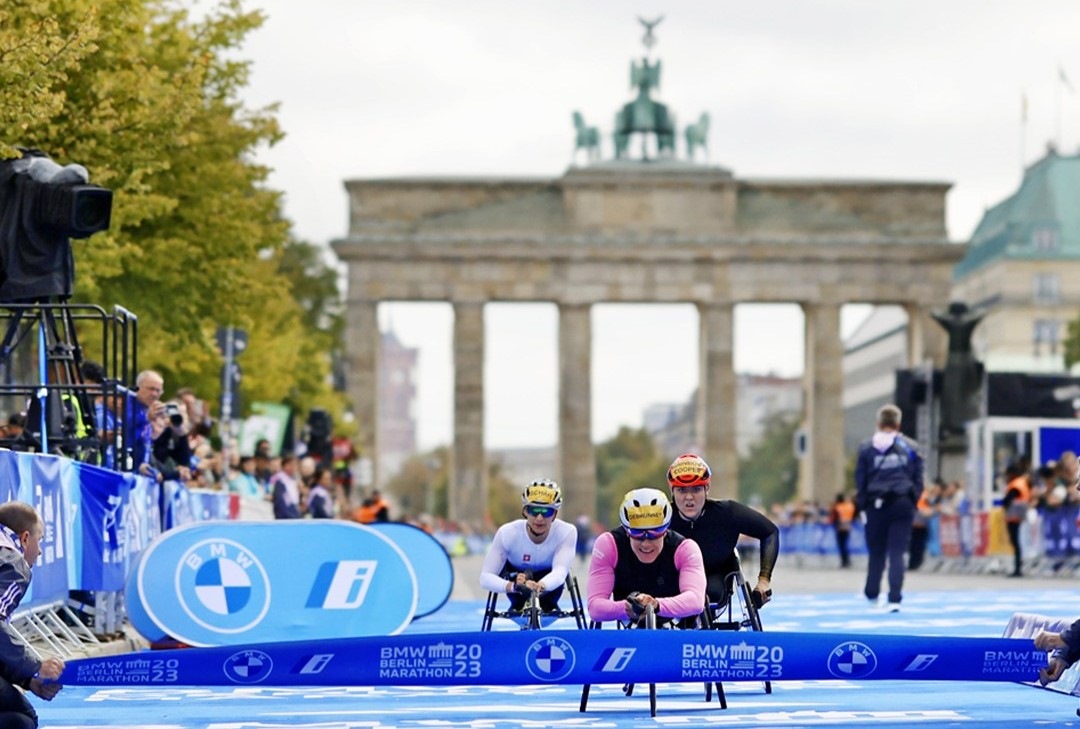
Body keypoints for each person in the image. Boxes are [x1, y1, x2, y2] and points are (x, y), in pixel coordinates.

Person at [666, 453, 779, 608]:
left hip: (714, 577)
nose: (689, 497)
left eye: (696, 489)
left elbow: (770, 532)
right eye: (682, 491)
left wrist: (764, 580)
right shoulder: (661, 516)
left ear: (707, 489)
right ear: (672, 491)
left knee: (710, 592)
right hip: (672, 578)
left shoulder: (728, 513)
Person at [587, 488, 705, 623]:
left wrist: (655, 605)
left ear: (665, 530)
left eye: (654, 534)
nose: (646, 544)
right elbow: (595, 608)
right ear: (626, 531)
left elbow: (696, 601)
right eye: (637, 535)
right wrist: (625, 608)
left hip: (671, 613)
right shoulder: (608, 545)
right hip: (628, 613)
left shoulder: (685, 548)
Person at [0, 501, 65, 728]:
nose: (38, 551)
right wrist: (35, 667)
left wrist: (27, 680)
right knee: (22, 721)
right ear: (25, 538)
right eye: (40, 540)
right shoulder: (13, 564)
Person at [854, 403, 924, 612]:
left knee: (876, 551)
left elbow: (861, 479)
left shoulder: (867, 447)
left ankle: (872, 593)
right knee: (897, 551)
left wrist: (863, 504)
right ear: (897, 423)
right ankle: (895, 598)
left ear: (879, 423)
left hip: (876, 504)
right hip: (903, 503)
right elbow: (918, 478)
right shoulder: (911, 446)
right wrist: (913, 499)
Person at [479, 479, 577, 613]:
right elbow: (485, 577)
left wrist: (540, 585)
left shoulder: (567, 532)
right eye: (534, 510)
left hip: (549, 591)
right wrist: (514, 586)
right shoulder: (507, 533)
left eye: (546, 512)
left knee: (550, 592)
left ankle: (547, 604)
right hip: (517, 586)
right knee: (518, 578)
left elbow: (560, 572)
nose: (539, 518)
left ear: (555, 514)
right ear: (525, 511)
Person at [1001, 461, 1030, 578]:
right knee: (1017, 543)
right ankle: (1018, 567)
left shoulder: (1015, 484)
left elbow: (1008, 499)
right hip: (1019, 516)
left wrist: (1004, 505)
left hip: (1014, 516)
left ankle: (1018, 568)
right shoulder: (1022, 482)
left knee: (1016, 542)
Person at [269, 455, 302, 519]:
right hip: (284, 512)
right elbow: (278, 499)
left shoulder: (293, 480)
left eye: (295, 465)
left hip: (293, 509)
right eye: (290, 464)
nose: (293, 467)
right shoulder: (278, 478)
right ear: (284, 465)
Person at [829, 492, 856, 568]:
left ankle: (844, 562)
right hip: (848, 527)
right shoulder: (850, 506)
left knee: (841, 546)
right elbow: (854, 515)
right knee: (845, 545)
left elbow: (833, 518)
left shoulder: (837, 507)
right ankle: (847, 561)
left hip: (839, 528)